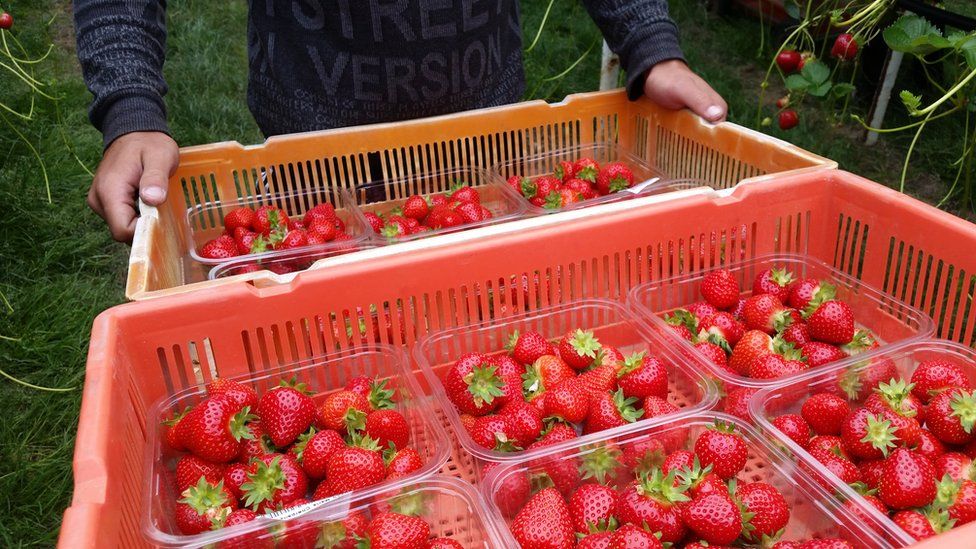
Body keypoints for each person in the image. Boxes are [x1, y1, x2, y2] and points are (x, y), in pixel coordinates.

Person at [75, 1, 727, 242]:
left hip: (483, 137)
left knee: (484, 310)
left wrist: (647, 39)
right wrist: (130, 106)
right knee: (330, 322)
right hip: (319, 142)